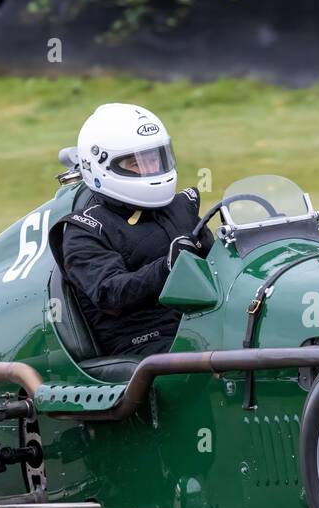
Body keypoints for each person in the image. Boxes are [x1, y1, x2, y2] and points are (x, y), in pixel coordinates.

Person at [60, 103, 213, 357]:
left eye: (155, 159)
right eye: (136, 163)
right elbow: (110, 293)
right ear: (101, 166)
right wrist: (166, 268)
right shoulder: (85, 230)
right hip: (143, 345)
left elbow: (219, 264)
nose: (151, 169)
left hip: (201, 324)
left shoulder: (180, 208)